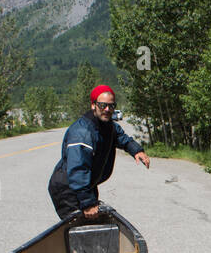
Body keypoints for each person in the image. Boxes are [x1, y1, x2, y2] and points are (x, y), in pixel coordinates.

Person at [49, 84, 149, 219]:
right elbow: (78, 169)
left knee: (93, 228)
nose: (107, 109)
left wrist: (136, 150)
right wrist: (87, 202)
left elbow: (120, 137)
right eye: (102, 105)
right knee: (80, 231)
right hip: (69, 189)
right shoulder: (82, 132)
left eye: (111, 106)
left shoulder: (107, 125)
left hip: (86, 185)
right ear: (93, 105)